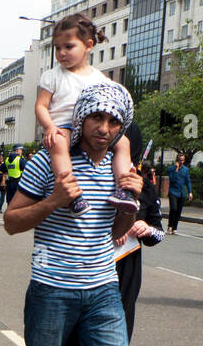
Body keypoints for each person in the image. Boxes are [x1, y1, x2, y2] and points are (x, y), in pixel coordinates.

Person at [4, 83, 144, 346]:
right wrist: (53, 201)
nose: (104, 129)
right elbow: (11, 221)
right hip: (51, 287)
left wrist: (130, 203)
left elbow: (117, 235)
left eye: (114, 121)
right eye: (97, 119)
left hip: (102, 289)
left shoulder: (122, 170)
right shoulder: (48, 162)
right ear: (81, 118)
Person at [59, 122, 165, 346]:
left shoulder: (142, 185)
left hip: (125, 277)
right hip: (86, 272)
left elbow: (158, 234)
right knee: (79, 340)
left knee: (116, 344)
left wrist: (145, 228)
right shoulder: (85, 180)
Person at [35, 13, 137, 218]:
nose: (61, 53)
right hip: (63, 125)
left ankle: (123, 188)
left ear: (88, 45)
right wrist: (50, 127)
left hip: (90, 129)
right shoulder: (52, 76)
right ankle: (71, 193)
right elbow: (41, 106)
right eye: (57, 48)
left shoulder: (99, 79)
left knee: (124, 143)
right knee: (59, 144)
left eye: (68, 46)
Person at [165, 152, 191, 234]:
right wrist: (176, 170)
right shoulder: (171, 169)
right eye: (180, 160)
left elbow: (188, 181)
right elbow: (172, 179)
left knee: (178, 211)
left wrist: (190, 192)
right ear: (177, 160)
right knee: (173, 209)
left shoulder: (185, 170)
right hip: (173, 191)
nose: (181, 162)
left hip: (181, 193)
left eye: (183, 160)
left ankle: (174, 227)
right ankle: (170, 226)